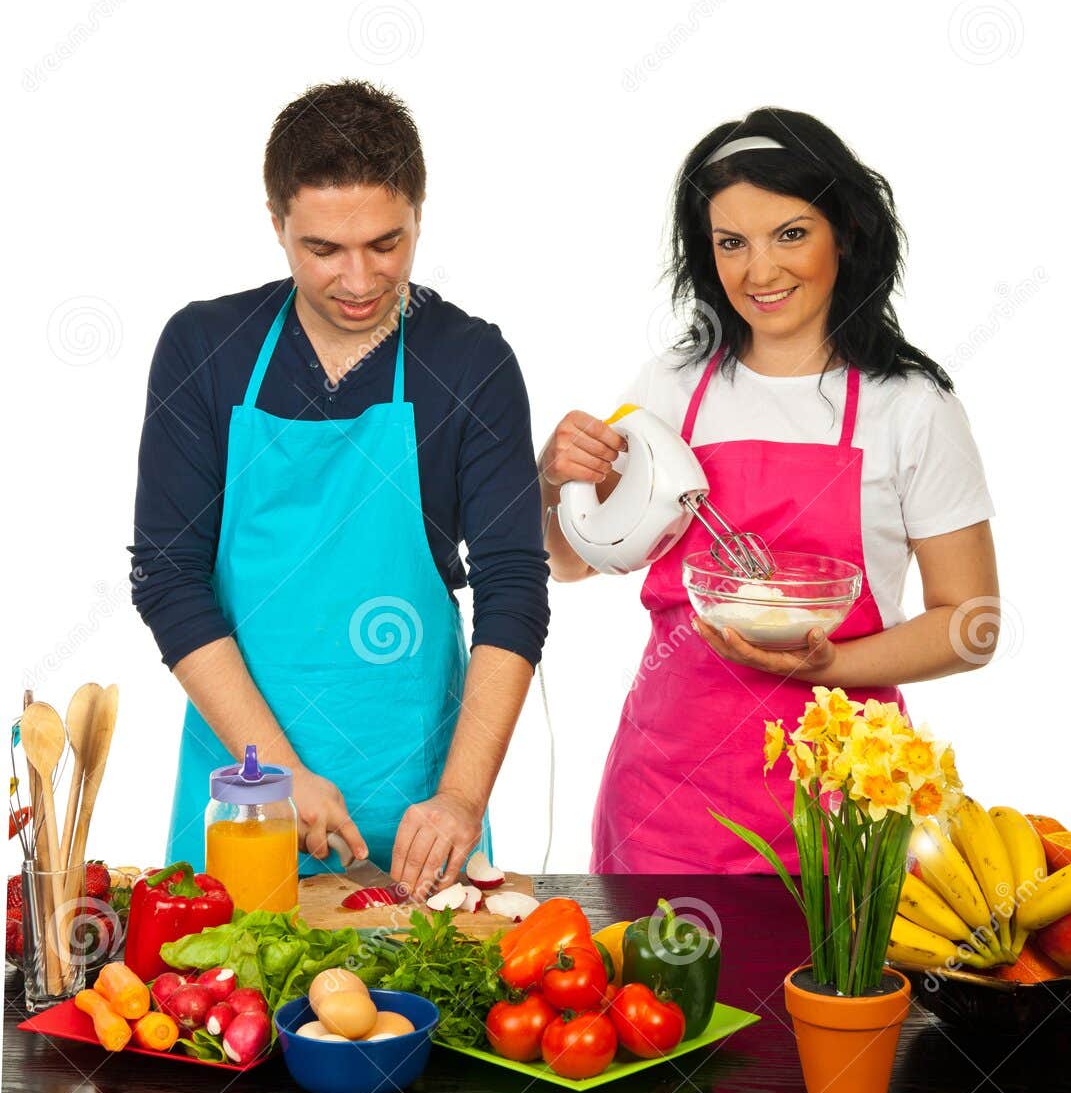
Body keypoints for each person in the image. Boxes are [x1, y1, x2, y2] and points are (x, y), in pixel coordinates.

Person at [540, 109, 999, 874]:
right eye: (731, 243)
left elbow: (971, 625)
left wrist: (825, 668)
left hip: (844, 794)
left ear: (844, 232)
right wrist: (554, 479)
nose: (759, 272)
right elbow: (574, 562)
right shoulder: (670, 387)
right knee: (653, 959)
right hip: (666, 794)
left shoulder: (909, 406)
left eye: (789, 234)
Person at [130, 79, 548, 899]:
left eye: (386, 243)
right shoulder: (206, 348)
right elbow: (167, 578)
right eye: (324, 249)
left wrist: (460, 799)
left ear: (419, 214)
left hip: (417, 802)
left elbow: (514, 589)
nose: (359, 280)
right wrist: (276, 776)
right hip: (243, 792)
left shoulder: (469, 361)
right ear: (276, 223)